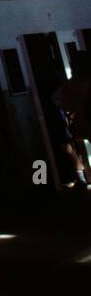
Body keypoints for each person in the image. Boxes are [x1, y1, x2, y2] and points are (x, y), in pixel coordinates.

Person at [53, 50, 91, 191]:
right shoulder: (73, 85)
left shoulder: (70, 85)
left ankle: (82, 178)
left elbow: (58, 100)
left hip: (84, 123)